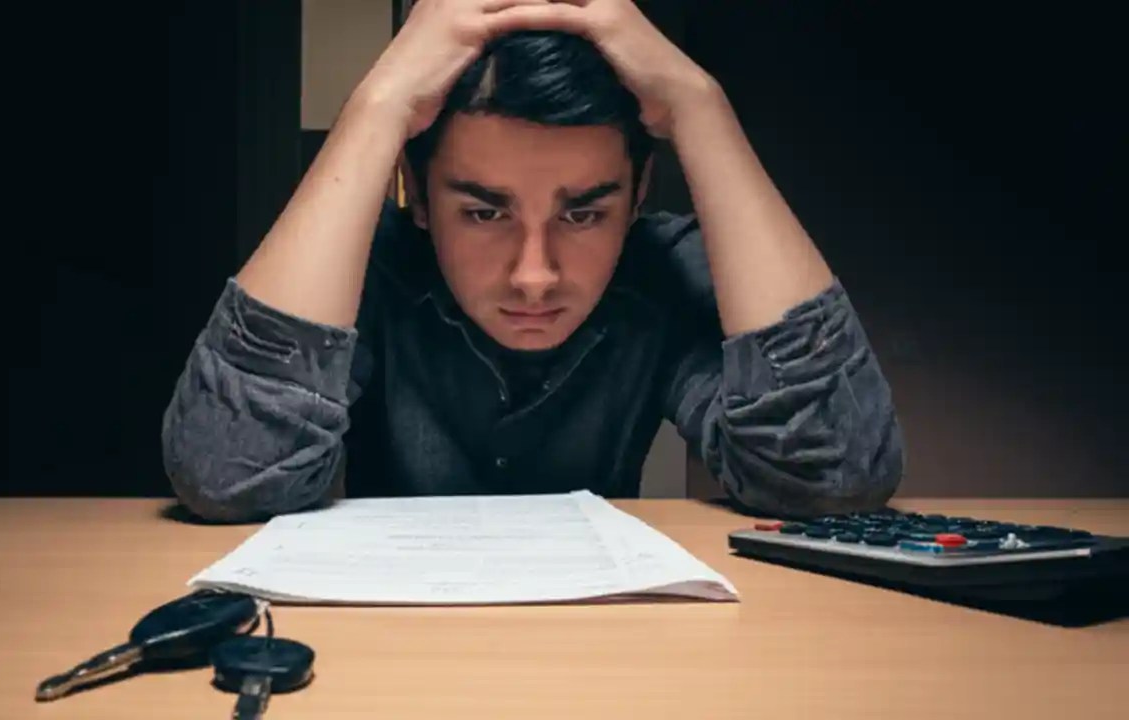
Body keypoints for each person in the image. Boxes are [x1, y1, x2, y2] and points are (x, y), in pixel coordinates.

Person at [161, 0, 905, 522]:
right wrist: (378, 103)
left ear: (638, 192)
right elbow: (229, 476)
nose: (535, 275)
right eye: (484, 212)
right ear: (417, 196)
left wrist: (699, 105)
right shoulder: (368, 270)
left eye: (584, 213)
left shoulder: (660, 272)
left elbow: (832, 474)